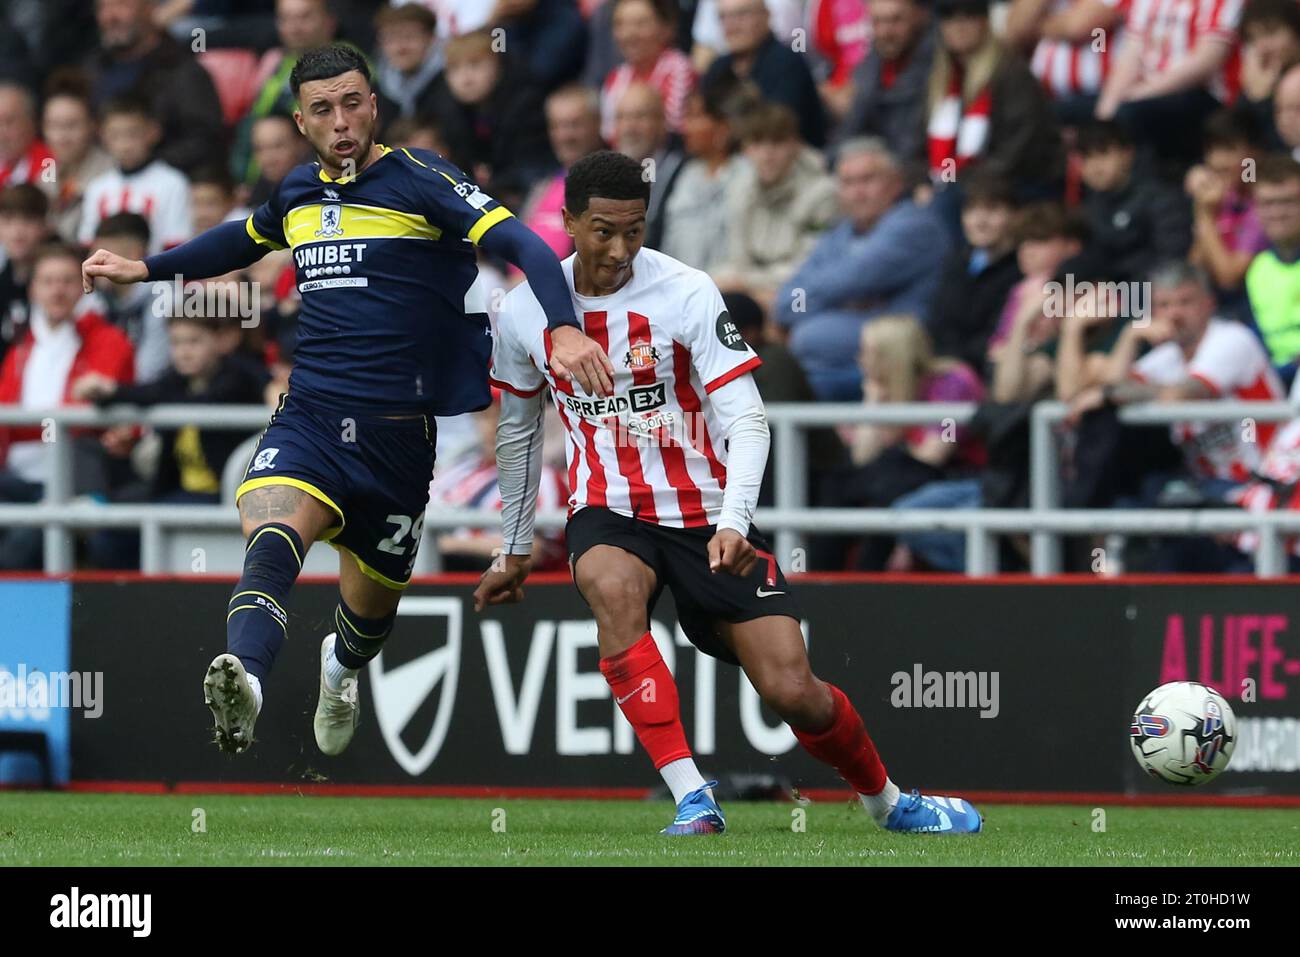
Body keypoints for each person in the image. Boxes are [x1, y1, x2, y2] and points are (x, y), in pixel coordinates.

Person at [80, 43, 614, 757]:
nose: (341, 121)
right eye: (323, 109)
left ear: (374, 106)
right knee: (271, 540)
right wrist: (145, 268)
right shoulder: (297, 193)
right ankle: (249, 681)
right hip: (311, 417)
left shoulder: (423, 179)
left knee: (367, 620)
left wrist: (566, 328)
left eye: (353, 103)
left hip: (399, 437)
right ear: (301, 121)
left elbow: (532, 247)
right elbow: (240, 240)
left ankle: (340, 669)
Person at [475, 149, 983, 836]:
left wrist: (736, 521)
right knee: (611, 588)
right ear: (567, 222)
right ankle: (692, 795)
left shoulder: (685, 291)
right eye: (604, 231)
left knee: (793, 691)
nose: (620, 249)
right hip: (609, 507)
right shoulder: (522, 312)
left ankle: (889, 802)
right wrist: (513, 546)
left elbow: (746, 418)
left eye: (634, 230)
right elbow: (517, 430)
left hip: (709, 515)